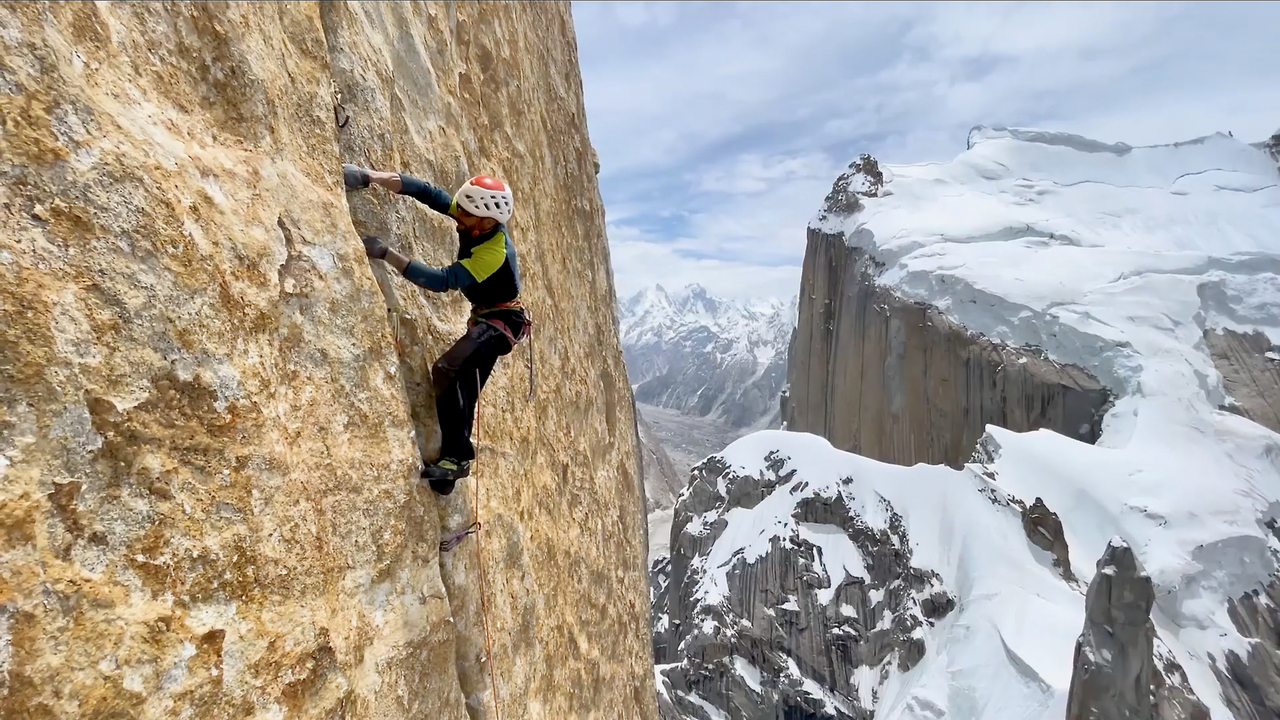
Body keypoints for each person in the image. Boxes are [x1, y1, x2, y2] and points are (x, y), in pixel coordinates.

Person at [343, 163, 530, 496]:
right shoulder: (475, 217)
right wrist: (369, 177)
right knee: (462, 387)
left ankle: (457, 459)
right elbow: (429, 193)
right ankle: (451, 466)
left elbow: (443, 281)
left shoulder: (493, 252)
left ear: (486, 221)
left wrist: (386, 253)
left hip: (500, 324)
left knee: (447, 369)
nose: (459, 217)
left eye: (466, 215)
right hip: (489, 318)